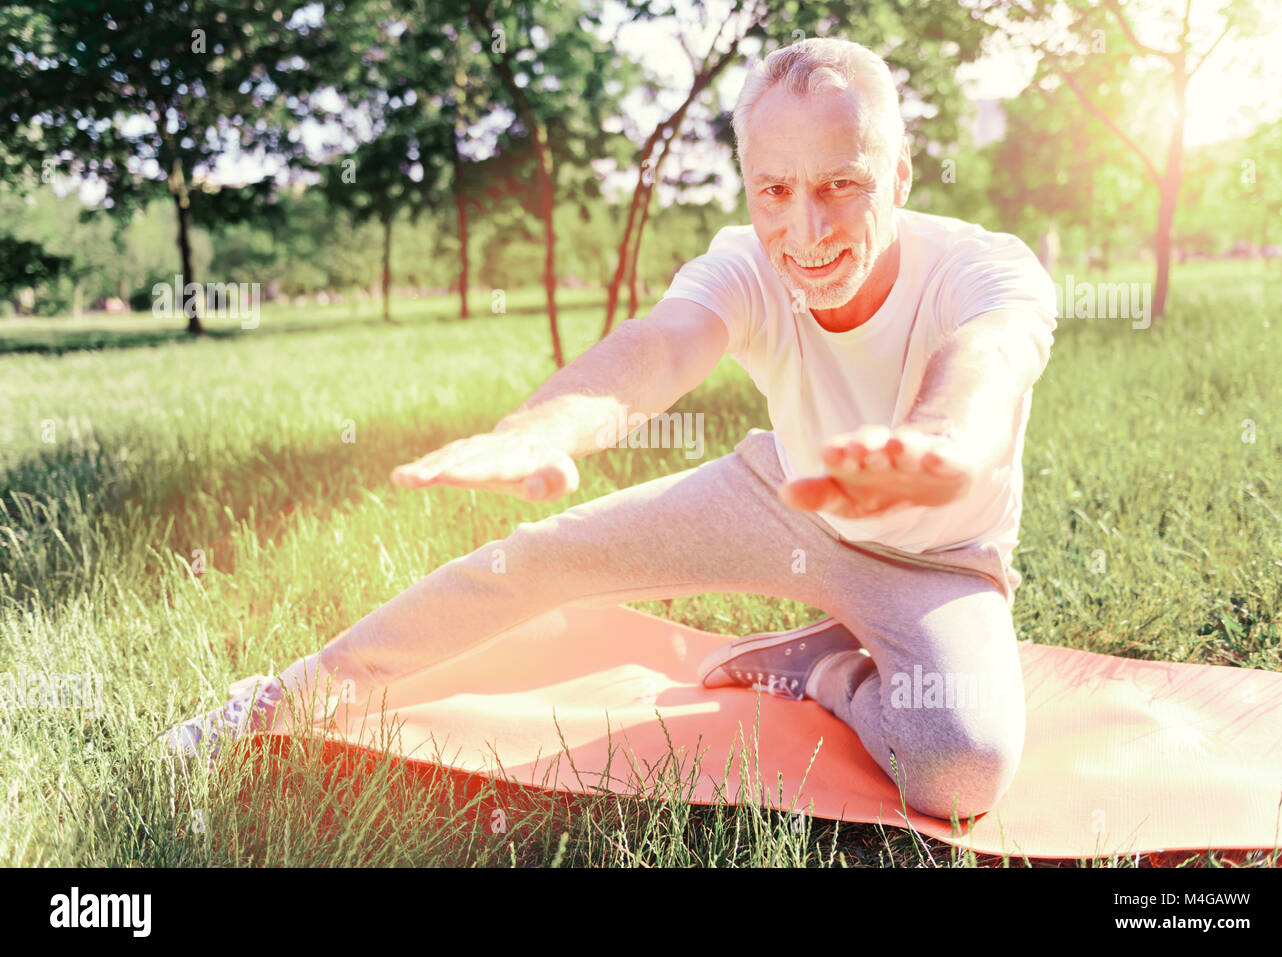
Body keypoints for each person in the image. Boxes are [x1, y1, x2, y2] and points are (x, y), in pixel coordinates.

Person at [162, 36, 1058, 821]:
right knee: (535, 556)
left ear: (899, 177)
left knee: (963, 767)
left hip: (937, 562)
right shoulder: (746, 261)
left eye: (842, 186)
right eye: (774, 190)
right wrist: (546, 425)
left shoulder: (984, 269)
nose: (805, 228)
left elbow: (988, 359)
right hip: (788, 495)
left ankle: (831, 673)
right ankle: (283, 698)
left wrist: (933, 448)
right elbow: (660, 347)